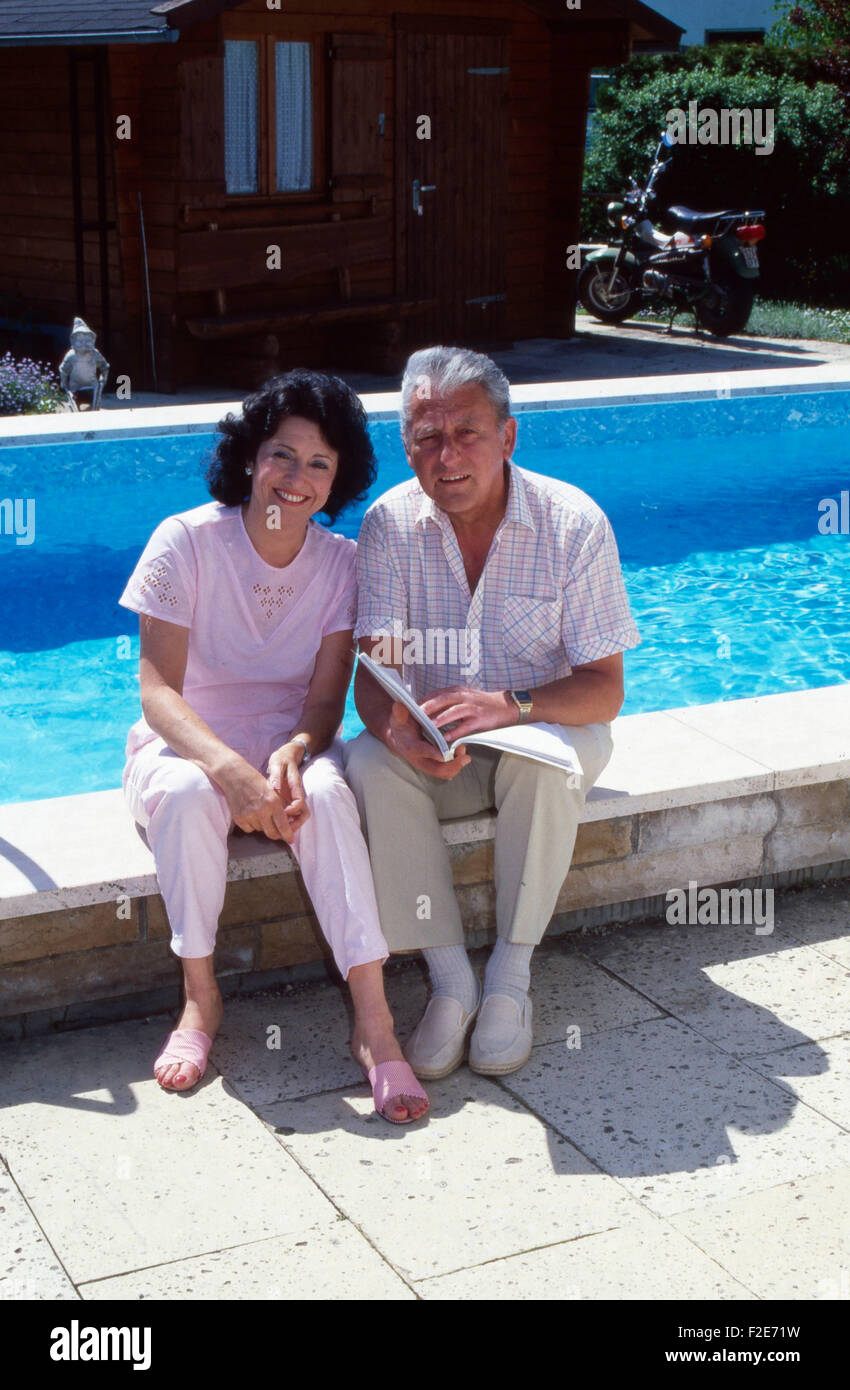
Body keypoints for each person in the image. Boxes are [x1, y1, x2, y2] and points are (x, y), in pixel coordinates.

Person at [119, 370, 428, 1124]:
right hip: (186, 746)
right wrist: (228, 771)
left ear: (338, 479)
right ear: (251, 457)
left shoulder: (342, 565)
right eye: (283, 455)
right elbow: (158, 694)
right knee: (194, 796)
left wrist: (292, 753)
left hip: (284, 745)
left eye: (319, 464)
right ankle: (200, 1001)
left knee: (326, 793)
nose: (297, 478)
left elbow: (324, 703)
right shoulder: (185, 541)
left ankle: (373, 1022)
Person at [344, 346, 640, 1079]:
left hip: (545, 725)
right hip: (444, 745)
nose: (446, 456)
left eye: (466, 432)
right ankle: (451, 981)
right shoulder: (388, 524)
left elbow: (605, 688)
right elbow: (374, 673)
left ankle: (510, 979)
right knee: (365, 763)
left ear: (508, 437)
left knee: (546, 767)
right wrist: (397, 730)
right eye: (426, 437)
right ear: (405, 445)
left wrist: (511, 706)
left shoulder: (574, 523)